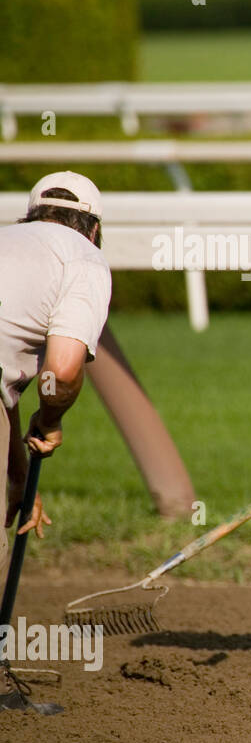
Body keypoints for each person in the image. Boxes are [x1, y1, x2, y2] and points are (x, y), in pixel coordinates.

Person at [0, 171, 113, 558]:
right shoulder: (84, 257)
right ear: (94, 230)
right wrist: (49, 420)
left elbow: (5, 386)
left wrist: (16, 478)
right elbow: (60, 374)